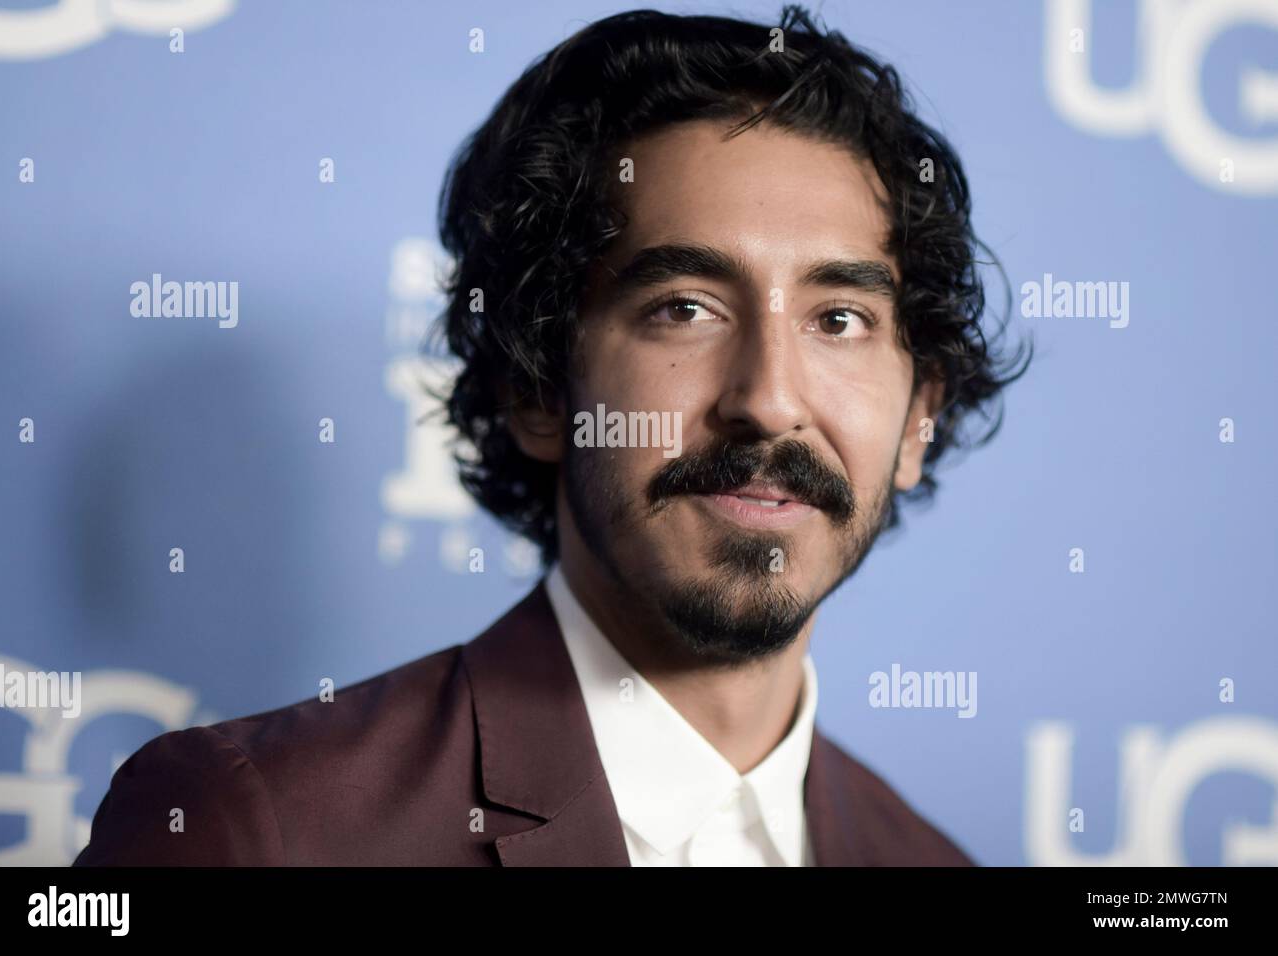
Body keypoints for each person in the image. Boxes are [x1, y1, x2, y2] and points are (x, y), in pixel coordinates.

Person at [75, 4, 1029, 867]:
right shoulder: (256, 828)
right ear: (536, 388)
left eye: (839, 321)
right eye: (685, 308)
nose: (771, 400)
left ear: (917, 420)